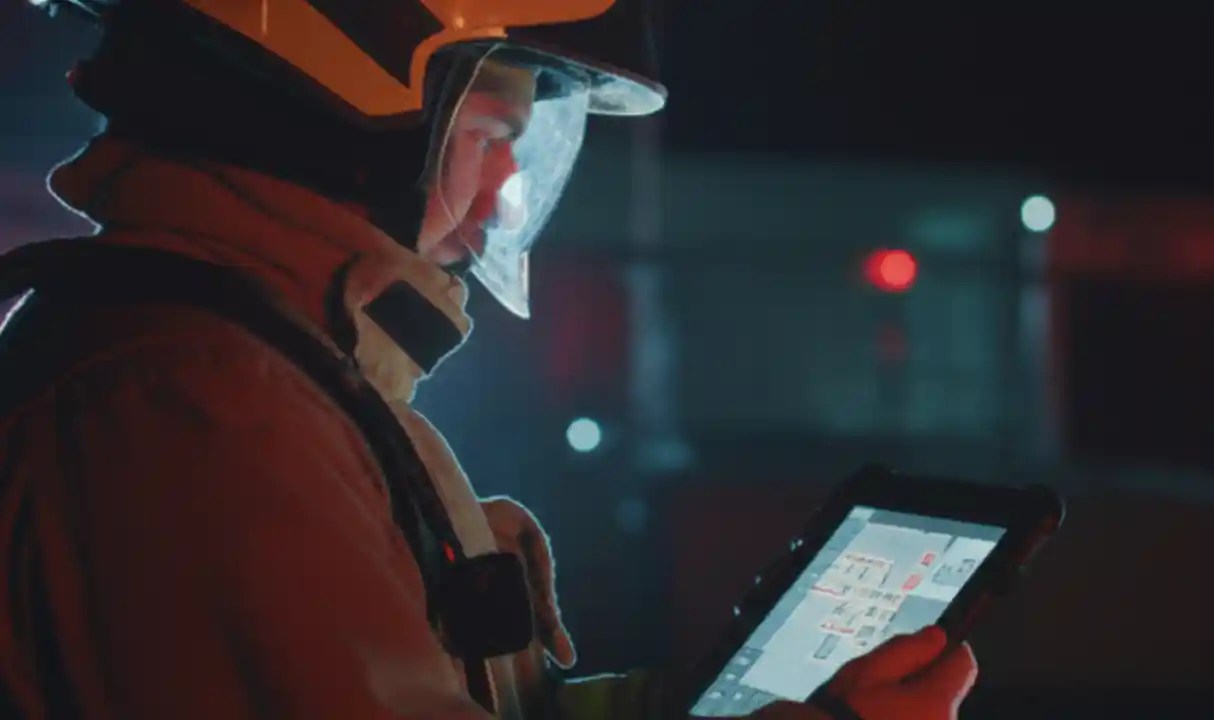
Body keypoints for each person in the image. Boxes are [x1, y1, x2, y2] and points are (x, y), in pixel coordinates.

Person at [0, 1, 977, 718]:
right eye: (486, 132)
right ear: (335, 105)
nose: (507, 182)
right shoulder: (199, 411)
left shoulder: (249, 376)